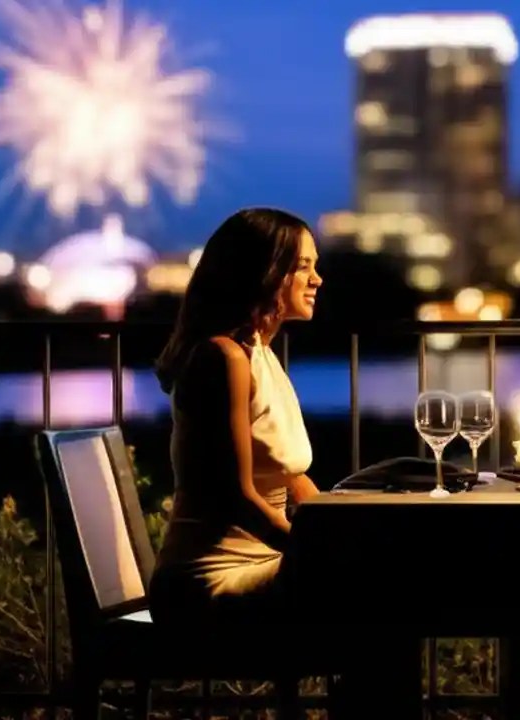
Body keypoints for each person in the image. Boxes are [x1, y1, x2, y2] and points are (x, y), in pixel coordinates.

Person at [149, 208, 420, 718]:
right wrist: (316, 550)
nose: (318, 278)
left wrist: (342, 531)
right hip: (209, 580)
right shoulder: (221, 358)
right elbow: (234, 495)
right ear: (266, 272)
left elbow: (293, 478)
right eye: (303, 266)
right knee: (383, 603)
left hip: (261, 566)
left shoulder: (260, 352)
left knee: (388, 591)